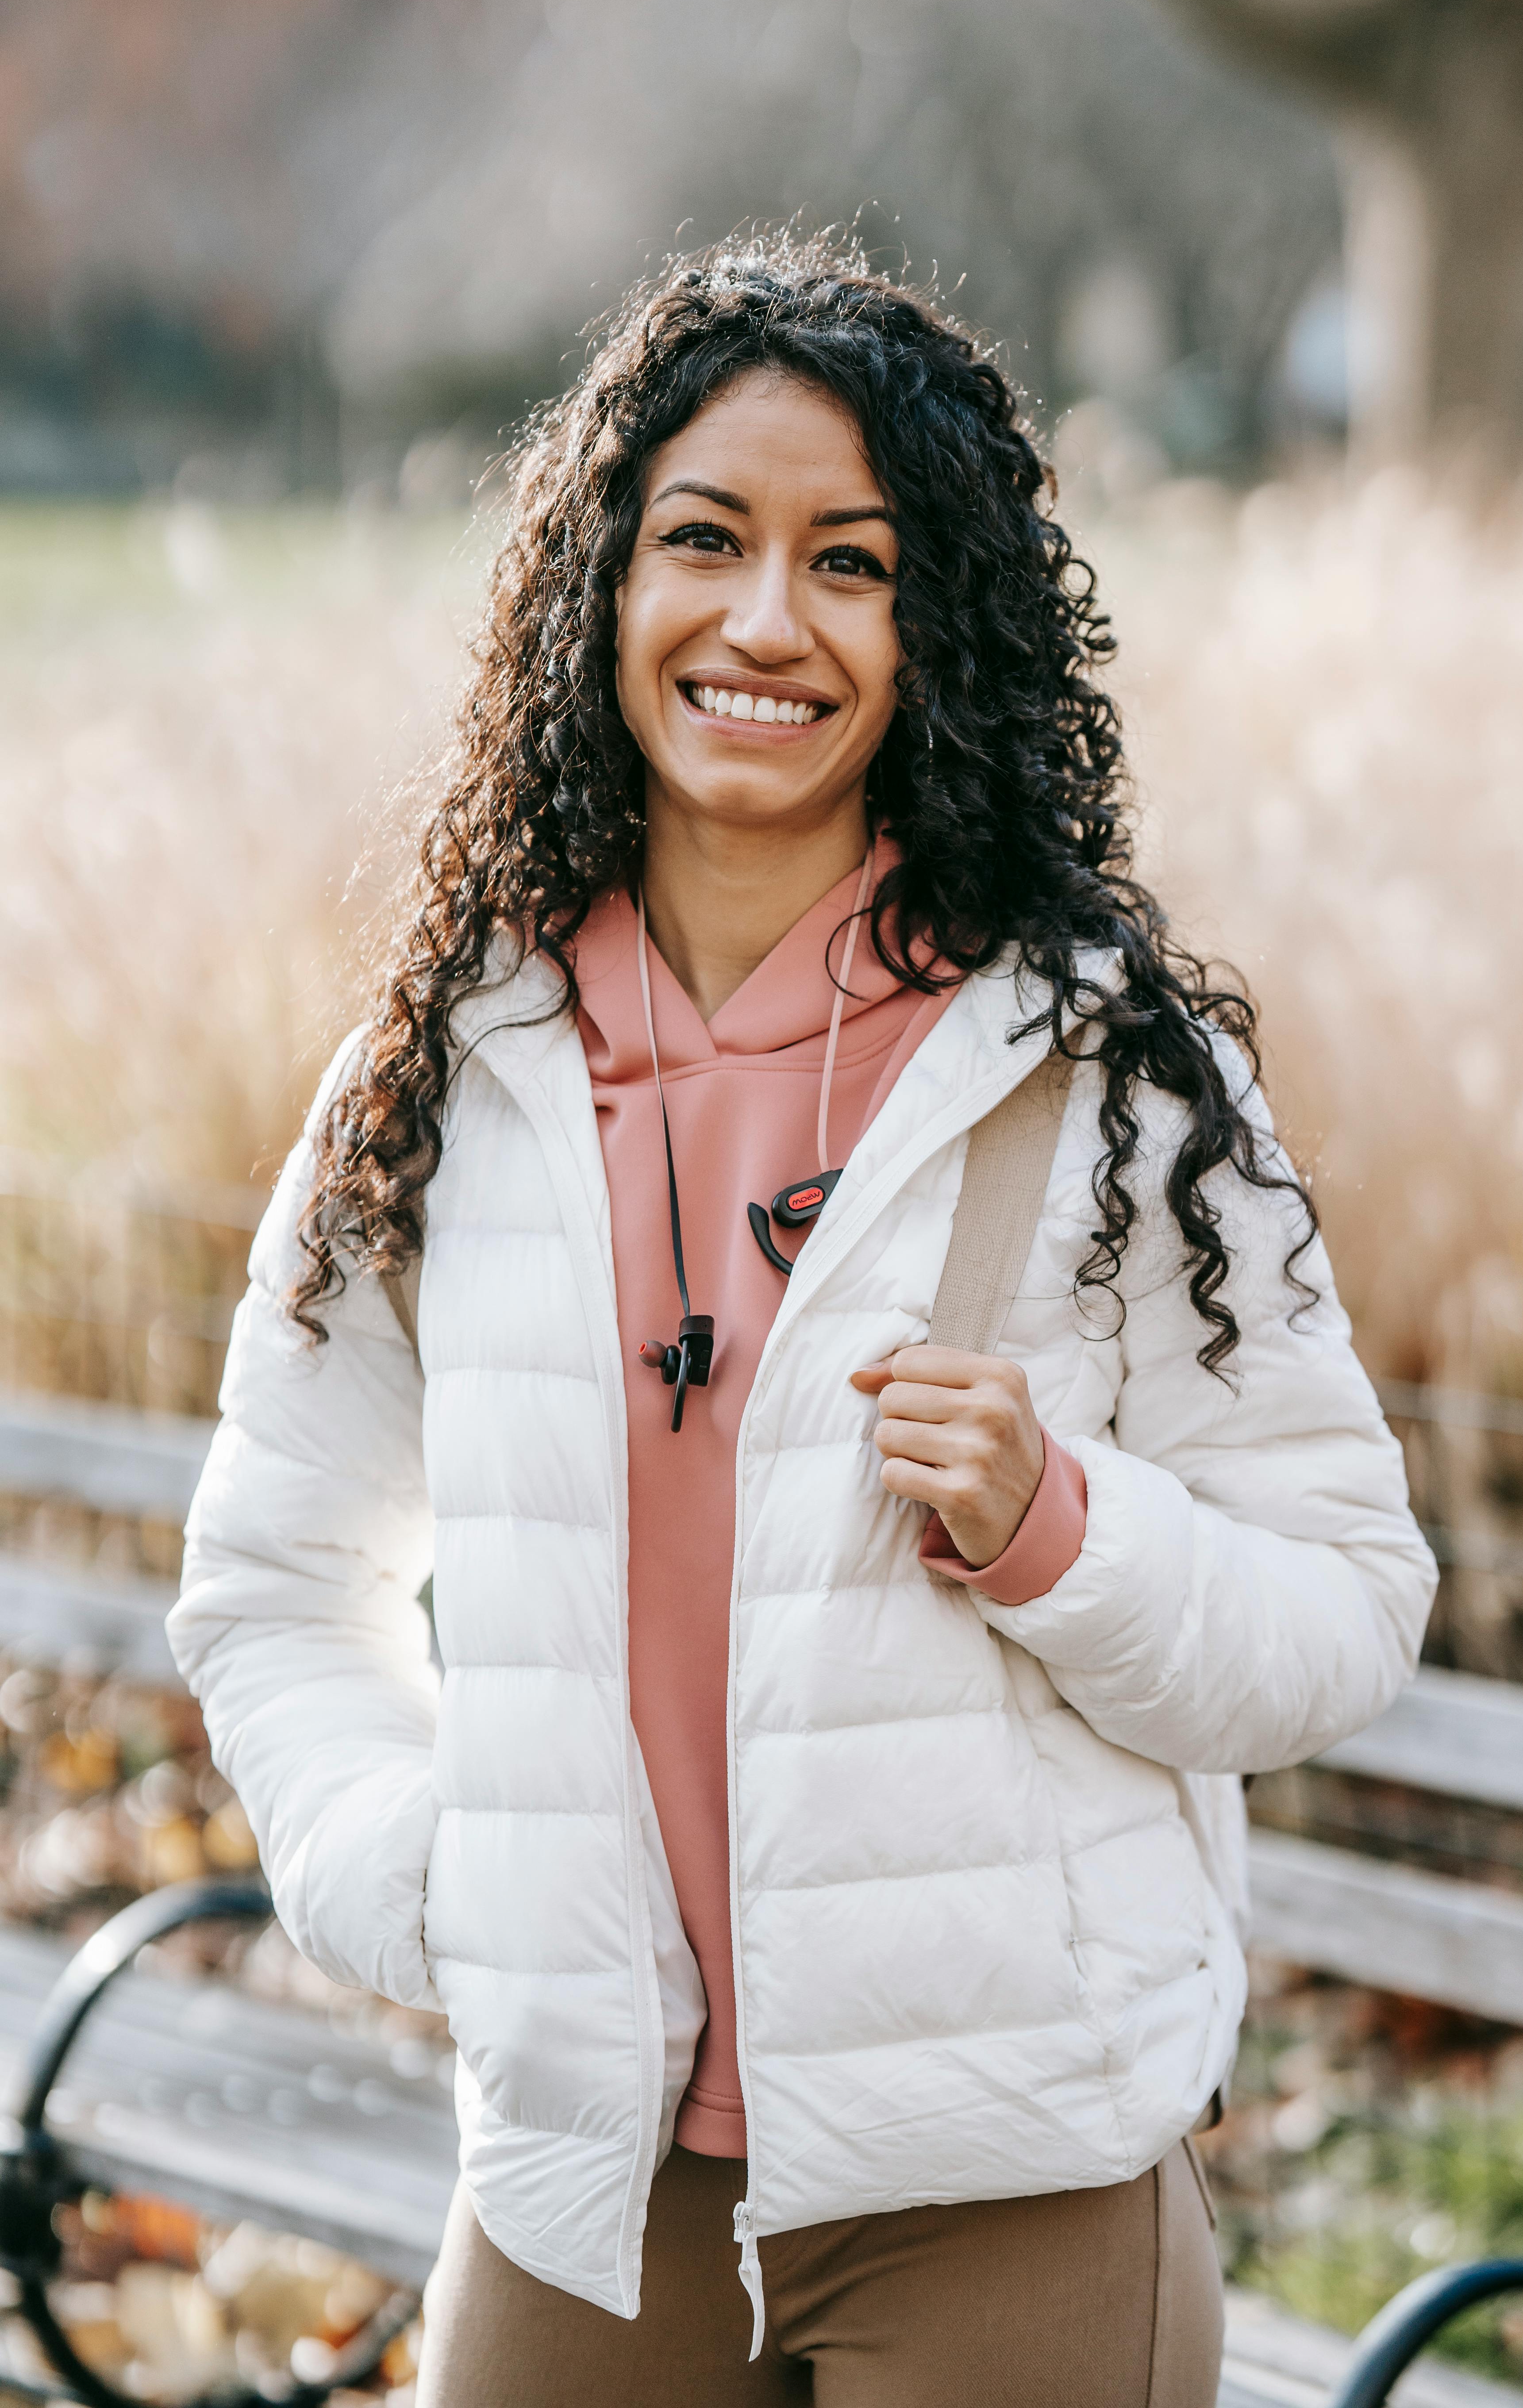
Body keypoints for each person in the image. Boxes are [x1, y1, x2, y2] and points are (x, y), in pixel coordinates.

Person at [169, 235, 1437, 2408]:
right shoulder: (446, 1068)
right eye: (703, 541)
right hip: (581, 2174)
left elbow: (1344, 1606)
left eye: (850, 563)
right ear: (601, 586)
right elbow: (270, 1582)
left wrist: (1060, 1529)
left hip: (1007, 2191)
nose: (765, 622)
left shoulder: (1109, 1077)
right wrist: (426, 1880)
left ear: (937, 629)